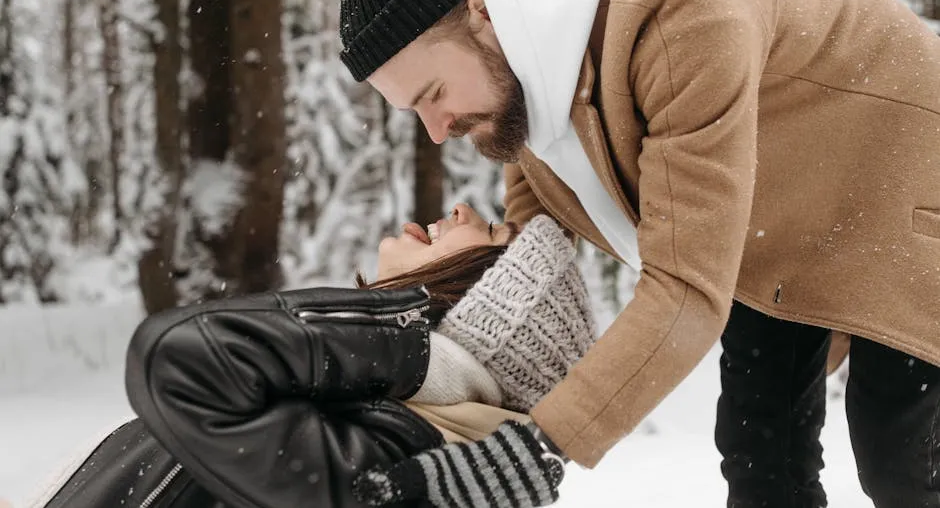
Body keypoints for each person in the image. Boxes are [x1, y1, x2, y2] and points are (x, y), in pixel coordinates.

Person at [338, 0, 940, 508]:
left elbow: (683, 293)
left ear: (484, 11)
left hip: (904, 168)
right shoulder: (535, 95)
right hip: (781, 220)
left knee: (903, 458)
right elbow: (524, 261)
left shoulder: (678, 23)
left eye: (434, 95)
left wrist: (537, 450)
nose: (438, 133)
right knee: (761, 457)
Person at [29, 209, 595, 508]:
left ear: (486, 302)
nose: (463, 208)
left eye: (491, 230)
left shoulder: (394, 454)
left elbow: (176, 360)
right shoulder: (376, 420)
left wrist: (401, 334)